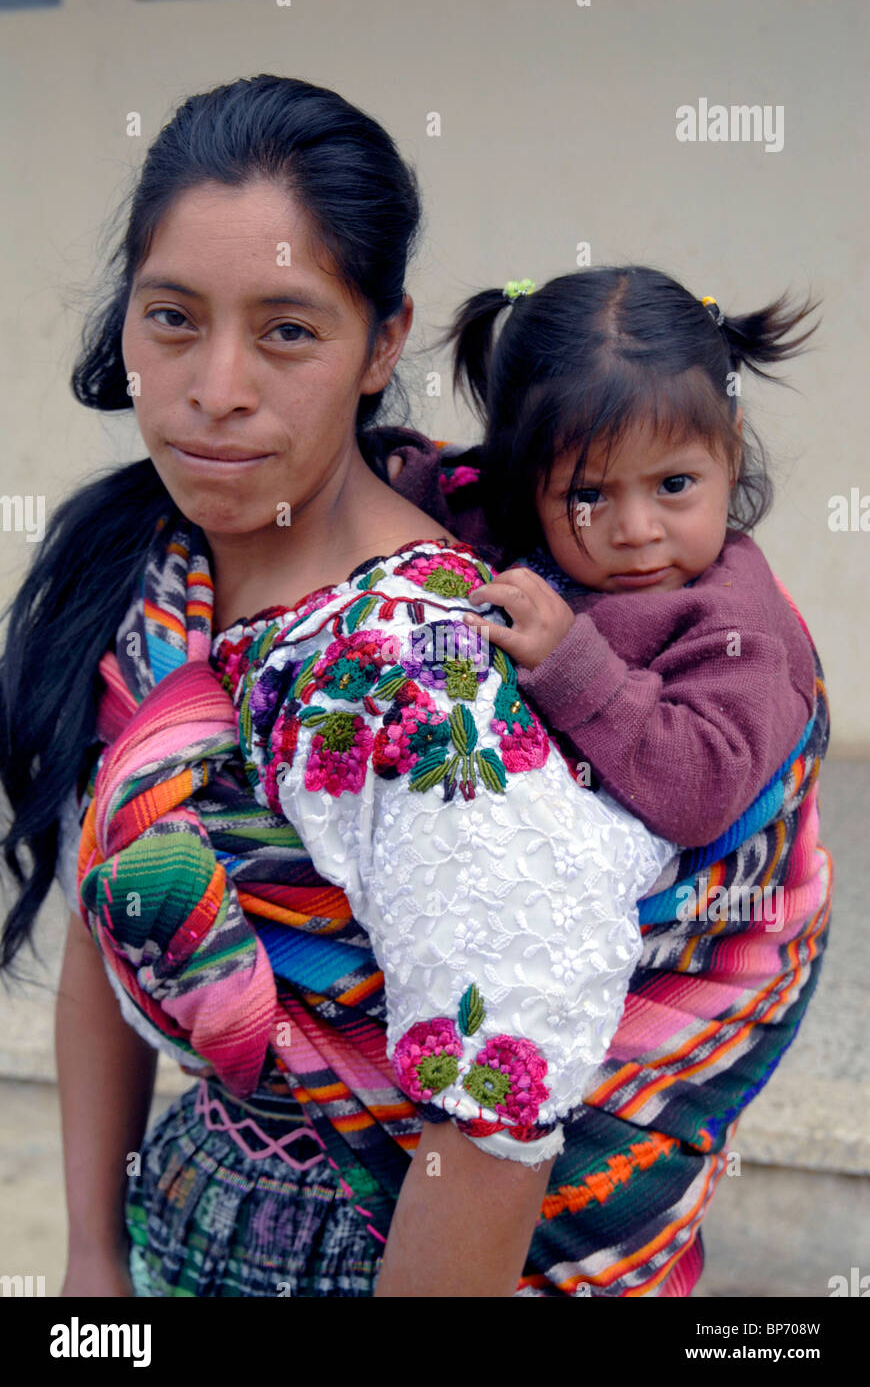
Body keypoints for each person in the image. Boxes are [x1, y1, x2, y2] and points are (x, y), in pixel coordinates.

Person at [0, 75, 678, 1299]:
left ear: (382, 342)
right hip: (172, 1227)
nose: (215, 385)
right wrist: (90, 1256)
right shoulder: (151, 577)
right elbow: (122, 916)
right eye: (170, 318)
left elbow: (489, 1134)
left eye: (287, 329)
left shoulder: (416, 676)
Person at [388, 267, 823, 848]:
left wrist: (572, 663)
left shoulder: (735, 627)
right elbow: (446, 512)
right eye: (588, 496)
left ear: (732, 450)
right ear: (523, 477)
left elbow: (702, 792)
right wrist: (397, 480)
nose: (637, 531)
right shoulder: (512, 519)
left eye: (674, 484)